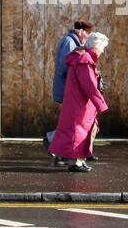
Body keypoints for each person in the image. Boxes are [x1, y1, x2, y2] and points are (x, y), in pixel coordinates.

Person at [47, 31, 109, 172]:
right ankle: (76, 163)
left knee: (81, 131)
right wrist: (102, 104)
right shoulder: (85, 60)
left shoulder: (82, 58)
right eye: (102, 48)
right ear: (96, 47)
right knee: (78, 132)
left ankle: (79, 160)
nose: (102, 52)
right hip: (80, 104)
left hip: (78, 103)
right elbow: (89, 86)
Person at [43, 20, 93, 158]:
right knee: (69, 123)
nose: (87, 38)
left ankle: (58, 147)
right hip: (66, 89)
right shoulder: (69, 43)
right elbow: (65, 67)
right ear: (81, 31)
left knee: (69, 122)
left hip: (68, 89)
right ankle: (52, 140)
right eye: (87, 34)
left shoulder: (72, 42)